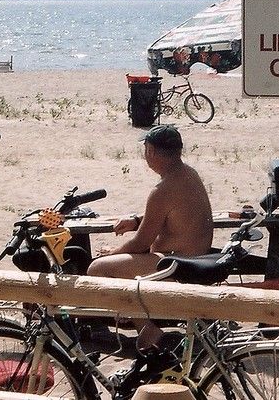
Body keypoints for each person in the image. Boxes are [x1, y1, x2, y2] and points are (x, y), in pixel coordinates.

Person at [88, 124, 213, 352]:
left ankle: (147, 330)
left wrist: (113, 252)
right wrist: (136, 221)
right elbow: (172, 213)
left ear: (151, 152)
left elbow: (140, 243)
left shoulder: (162, 189)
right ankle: (136, 317)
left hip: (176, 266)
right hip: (197, 259)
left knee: (98, 268)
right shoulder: (188, 174)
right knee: (121, 264)